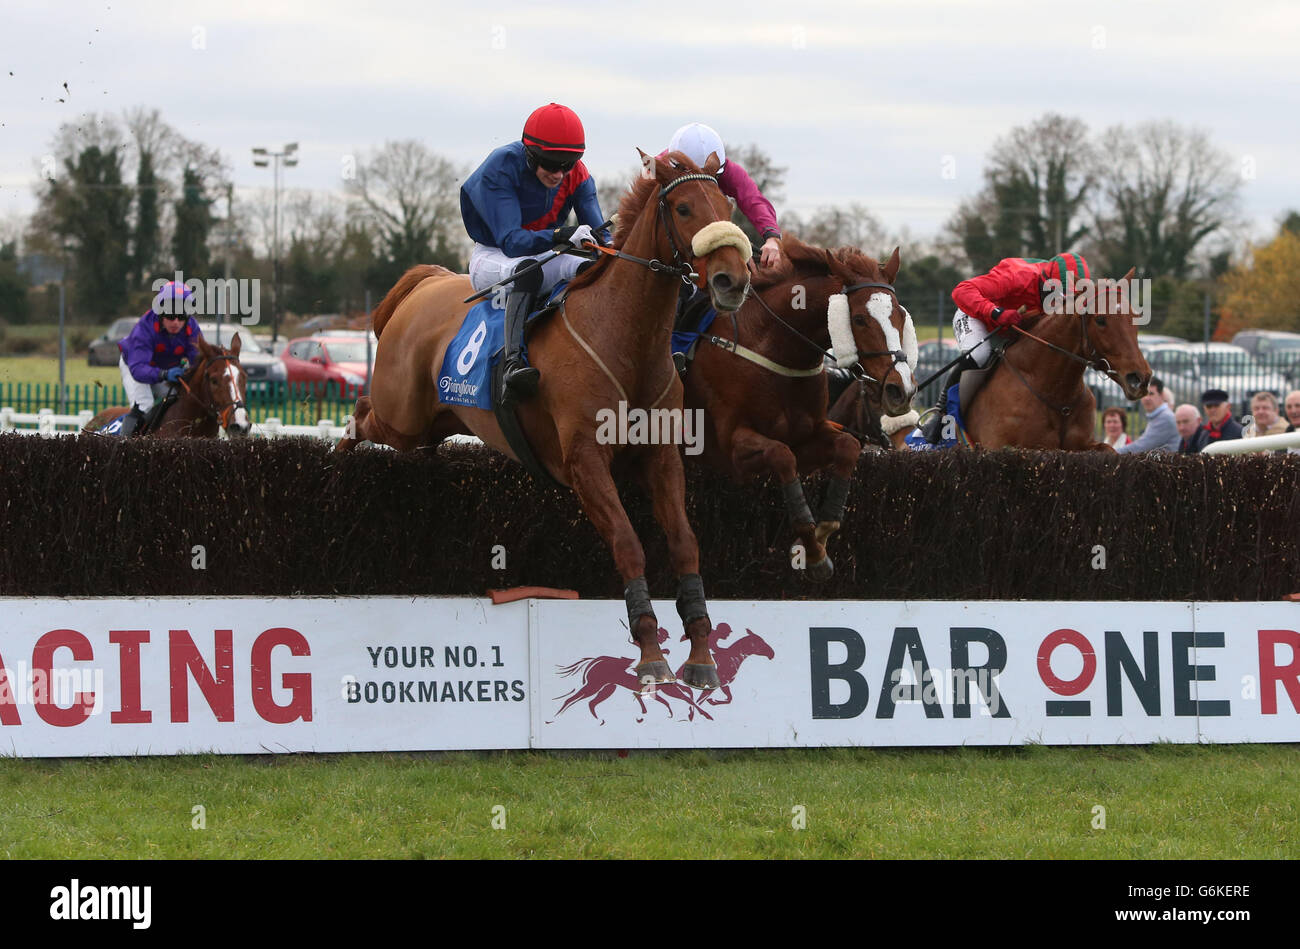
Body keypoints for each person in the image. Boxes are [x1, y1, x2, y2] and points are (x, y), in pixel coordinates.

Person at [460, 102, 611, 402]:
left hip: (544, 254)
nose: (558, 174)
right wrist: (564, 234)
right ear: (529, 155)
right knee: (528, 269)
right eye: (550, 165)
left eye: (565, 166)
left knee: (593, 270)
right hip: (493, 256)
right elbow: (512, 242)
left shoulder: (576, 174)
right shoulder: (500, 167)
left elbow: (602, 238)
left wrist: (612, 249)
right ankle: (513, 366)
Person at [920, 253, 1091, 443]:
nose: (1059, 307)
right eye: (1058, 299)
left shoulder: (1061, 288)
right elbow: (961, 291)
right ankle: (940, 414)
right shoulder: (1017, 276)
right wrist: (995, 312)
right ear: (1046, 282)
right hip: (976, 316)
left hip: (1012, 326)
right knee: (979, 354)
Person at [658, 123, 783, 269]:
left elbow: (753, 200)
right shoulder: (659, 167)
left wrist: (772, 238)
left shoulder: (730, 171)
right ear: (675, 167)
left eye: (713, 175)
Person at [116, 281, 200, 436]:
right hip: (134, 366)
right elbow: (139, 369)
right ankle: (123, 447)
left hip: (162, 369)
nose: (176, 322)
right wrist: (164, 374)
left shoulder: (192, 328)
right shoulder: (145, 328)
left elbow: (197, 358)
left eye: (181, 316)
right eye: (170, 315)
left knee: (176, 398)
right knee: (144, 404)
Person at [1116, 377, 1181, 453]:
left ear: (1162, 395)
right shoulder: (1157, 416)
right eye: (1144, 394)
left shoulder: (1165, 418)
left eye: (1151, 394)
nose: (1146, 398)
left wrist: (1111, 453)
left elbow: (1141, 447)